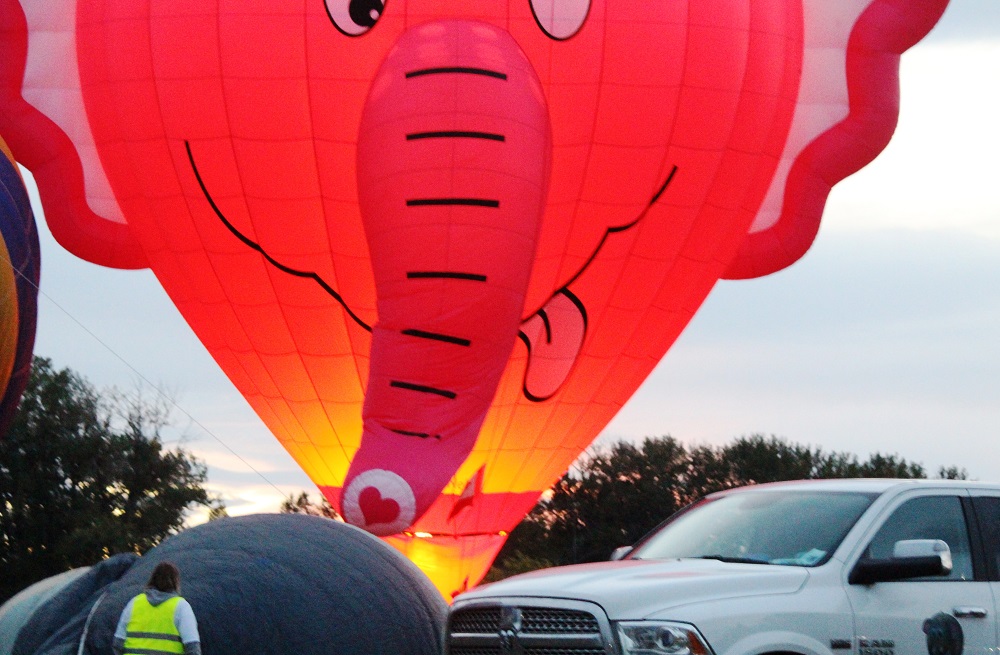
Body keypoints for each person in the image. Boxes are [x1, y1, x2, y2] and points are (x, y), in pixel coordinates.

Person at [113, 561, 201, 655]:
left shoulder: (134, 603)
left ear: (152, 579)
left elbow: (117, 644)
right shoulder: (181, 607)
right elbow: (193, 648)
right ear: (176, 581)